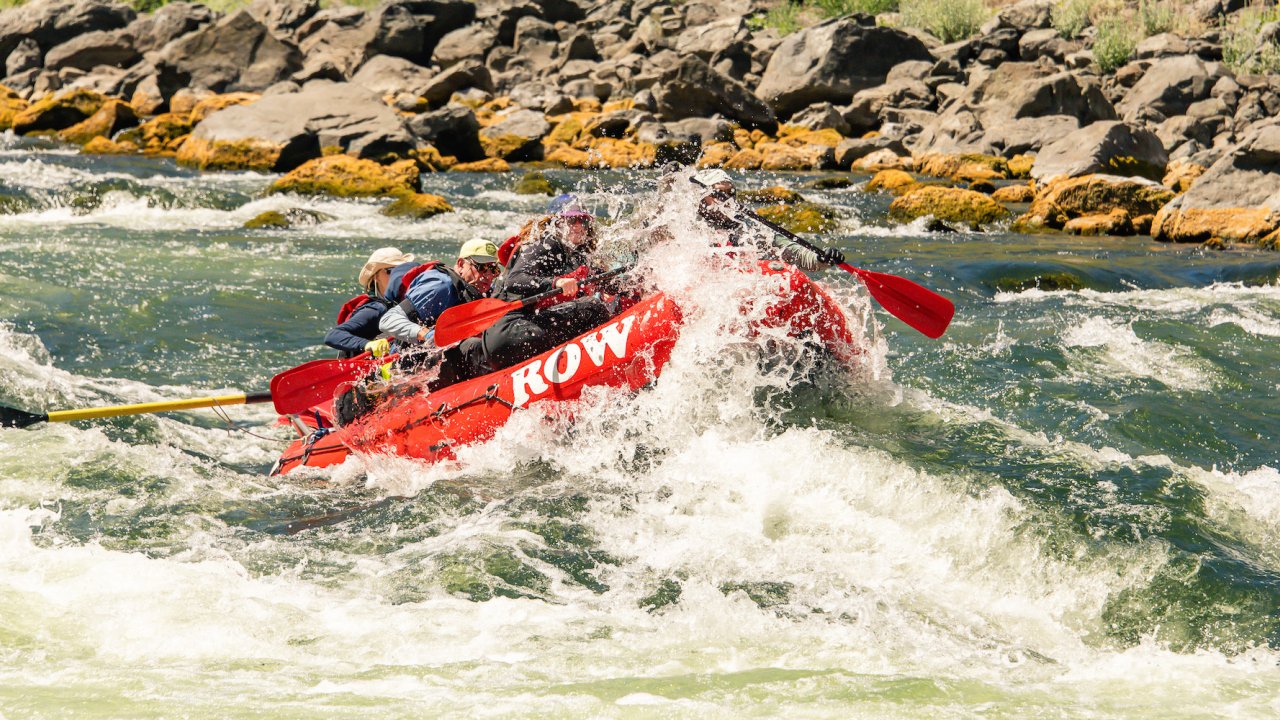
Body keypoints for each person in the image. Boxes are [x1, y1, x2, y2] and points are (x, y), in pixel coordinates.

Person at [436, 205, 616, 386]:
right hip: (510, 332)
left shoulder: (579, 254)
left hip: (521, 333)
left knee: (592, 307)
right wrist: (555, 283)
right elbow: (515, 280)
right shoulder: (546, 244)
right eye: (572, 220)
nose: (578, 226)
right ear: (558, 223)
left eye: (583, 221)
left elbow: (606, 284)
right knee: (593, 308)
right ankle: (603, 370)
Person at [692, 168, 846, 273]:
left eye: (730, 193)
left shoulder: (750, 230)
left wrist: (821, 259)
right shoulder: (684, 226)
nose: (727, 200)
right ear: (701, 196)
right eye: (719, 193)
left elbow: (795, 253)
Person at [378, 238, 503, 347]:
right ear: (461, 264)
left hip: (450, 355)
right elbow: (388, 320)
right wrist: (426, 334)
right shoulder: (441, 285)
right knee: (473, 346)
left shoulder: (486, 293)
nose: (488, 275)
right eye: (483, 267)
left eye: (494, 269)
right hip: (411, 360)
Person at [324, 247, 418, 358]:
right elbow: (333, 335)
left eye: (403, 270)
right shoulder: (376, 308)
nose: (399, 275)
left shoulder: (408, 305)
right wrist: (368, 344)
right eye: (391, 271)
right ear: (376, 277)